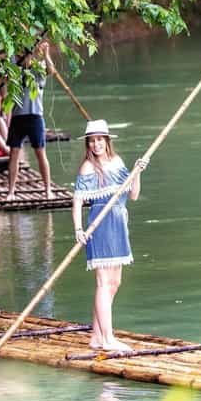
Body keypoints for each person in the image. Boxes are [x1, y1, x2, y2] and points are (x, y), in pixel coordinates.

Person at [71, 120, 147, 351]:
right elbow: (76, 202)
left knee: (115, 283)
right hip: (100, 225)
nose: (96, 144)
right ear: (88, 143)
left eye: (99, 139)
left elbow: (133, 195)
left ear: (107, 141)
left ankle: (96, 336)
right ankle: (107, 339)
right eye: (92, 140)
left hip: (119, 222)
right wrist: (78, 229)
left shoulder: (118, 161)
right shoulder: (88, 167)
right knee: (103, 283)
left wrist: (137, 172)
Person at [5, 41, 52, 200]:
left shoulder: (38, 69)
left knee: (40, 153)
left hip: (35, 116)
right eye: (21, 54)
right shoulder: (15, 68)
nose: (23, 57)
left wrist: (46, 54)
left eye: (26, 54)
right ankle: (11, 192)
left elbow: (51, 69)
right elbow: (9, 55)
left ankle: (48, 190)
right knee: (14, 154)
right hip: (18, 116)